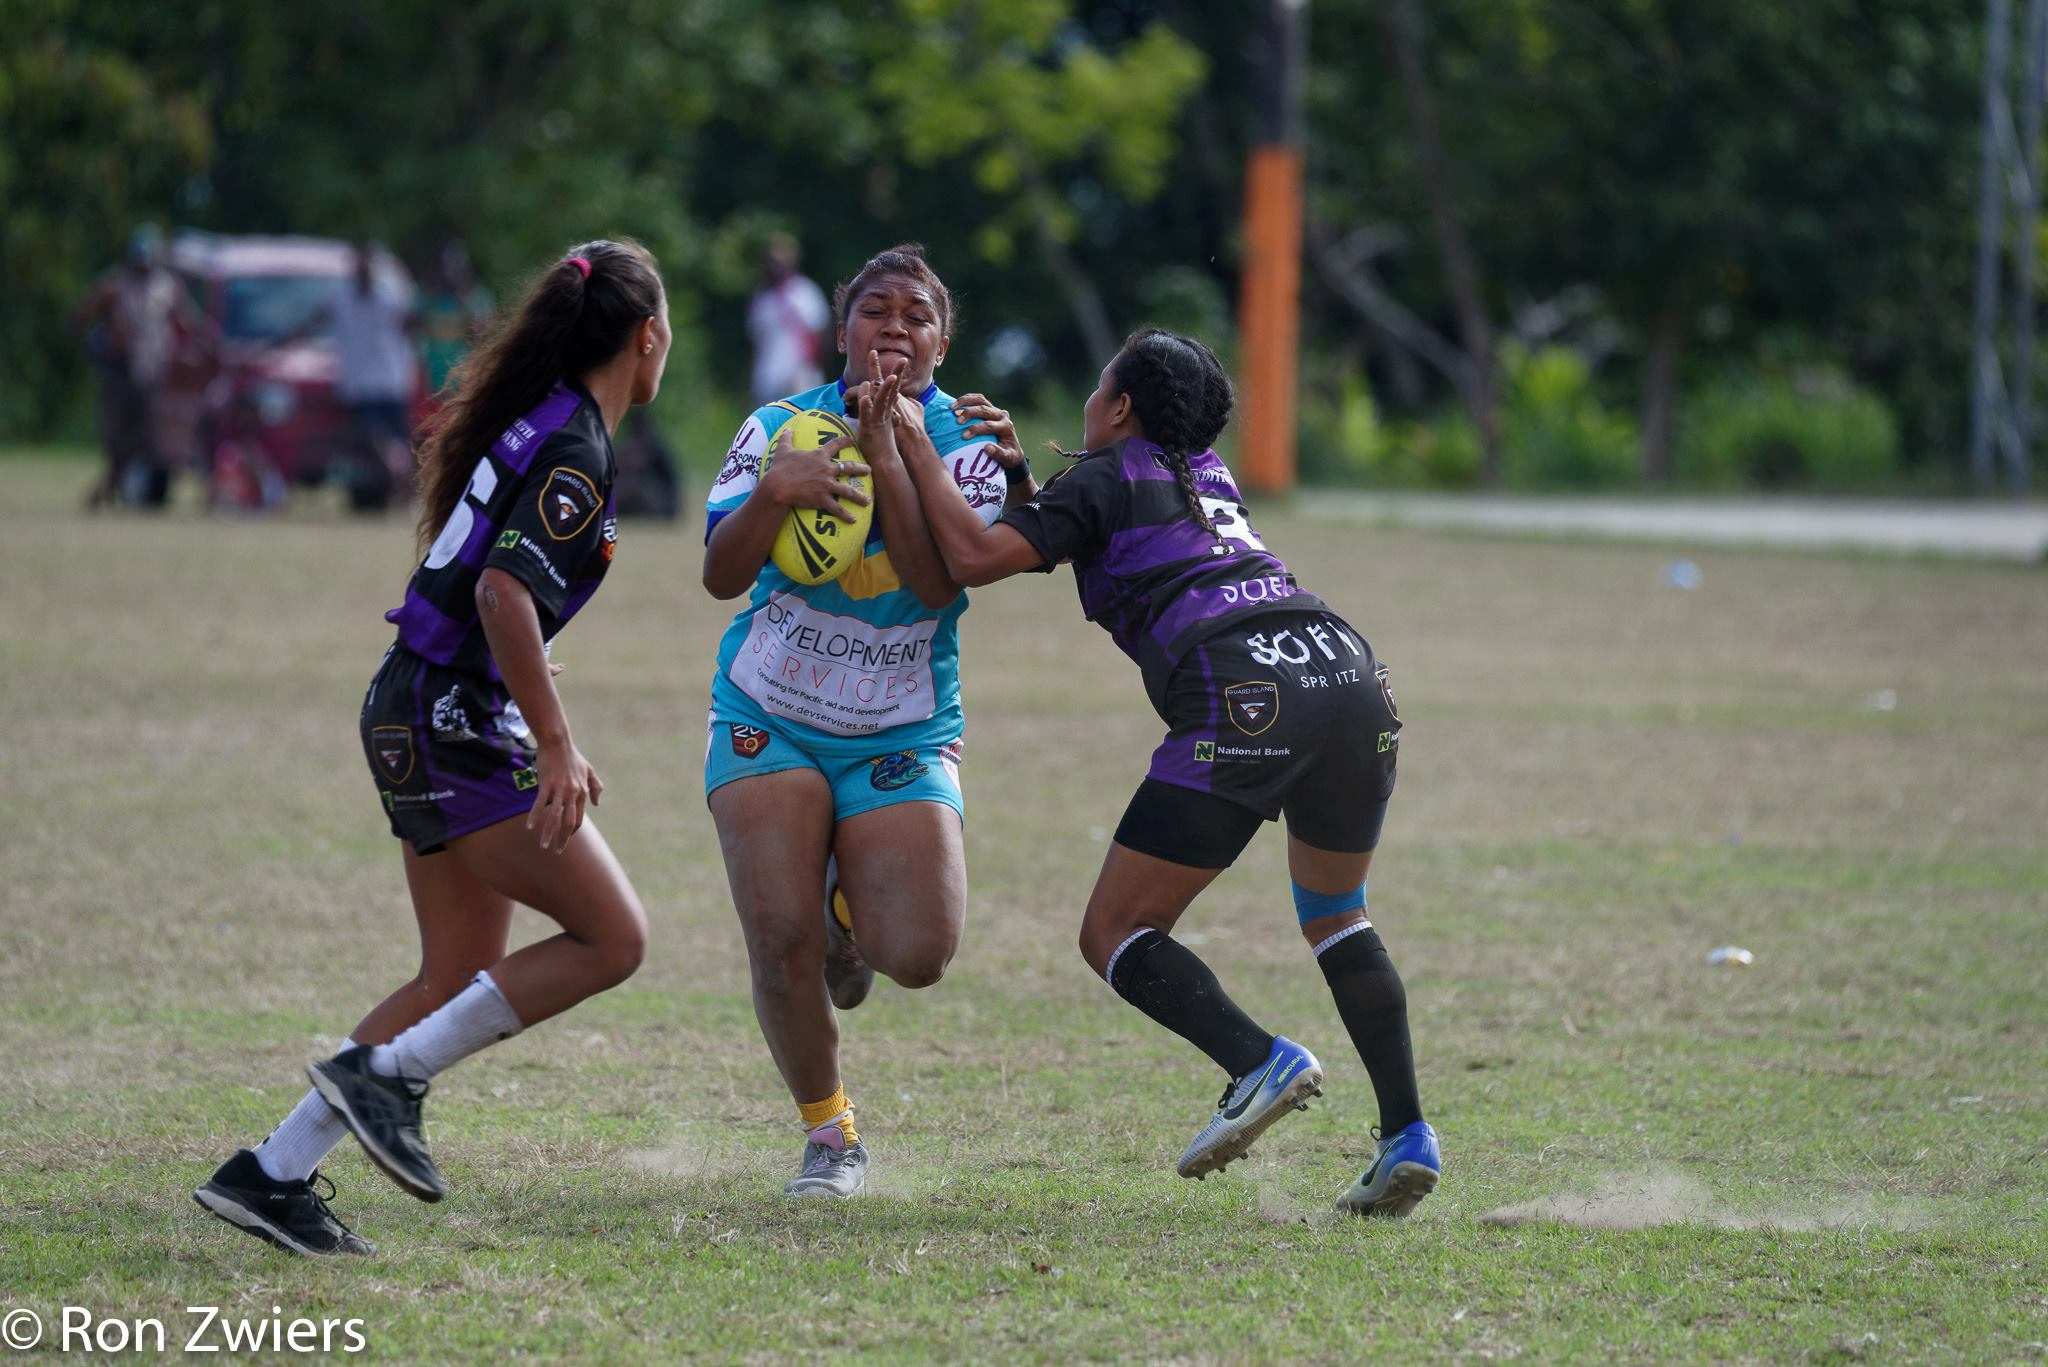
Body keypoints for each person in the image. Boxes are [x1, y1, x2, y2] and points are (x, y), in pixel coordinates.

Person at [880, 328, 1441, 1218]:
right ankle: (1408, 1133)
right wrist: (1028, 484)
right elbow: (1078, 541)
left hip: (1245, 684)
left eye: (1099, 386)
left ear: (1121, 406)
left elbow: (977, 560)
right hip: (1348, 671)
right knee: (1337, 914)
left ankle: (1259, 1060)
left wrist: (914, 443)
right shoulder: (1200, 475)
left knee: (1114, 930)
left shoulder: (1106, 477)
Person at [193, 241, 672, 1255]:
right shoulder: (576, 447)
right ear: (647, 339)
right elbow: (502, 592)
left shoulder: (542, 417)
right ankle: (390, 1078)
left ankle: (270, 1173)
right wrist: (554, 740)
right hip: (446, 715)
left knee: (456, 970)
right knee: (614, 936)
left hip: (414, 703)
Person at [701, 243, 1034, 1198]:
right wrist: (777, 489)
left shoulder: (968, 442)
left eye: (917, 315)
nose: (895, 327)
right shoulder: (779, 424)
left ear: (943, 340)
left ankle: (851, 910)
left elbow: (936, 582)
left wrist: (890, 450)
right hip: (772, 709)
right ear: (840, 327)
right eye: (875, 310)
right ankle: (830, 1134)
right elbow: (721, 573)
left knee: (918, 955)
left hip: (900, 723)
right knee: (779, 936)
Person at [73, 225, 192, 509]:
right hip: (120, 373)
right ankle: (109, 491)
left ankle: (139, 493)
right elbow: (81, 315)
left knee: (152, 439)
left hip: (154, 374)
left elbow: (187, 324)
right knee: (119, 440)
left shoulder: (167, 287)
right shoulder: (114, 285)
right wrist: (97, 343)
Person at [329, 243, 420, 508]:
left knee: (391, 442)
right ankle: (392, 485)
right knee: (375, 443)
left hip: (390, 384)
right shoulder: (342, 298)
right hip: (361, 387)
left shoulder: (389, 297)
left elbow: (411, 325)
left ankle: (400, 485)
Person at [746, 232, 831, 405]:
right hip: (768, 377)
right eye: (772, 261)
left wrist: (811, 367)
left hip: (800, 377)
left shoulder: (804, 291)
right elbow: (755, 340)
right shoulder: (762, 298)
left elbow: (820, 334)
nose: (775, 267)